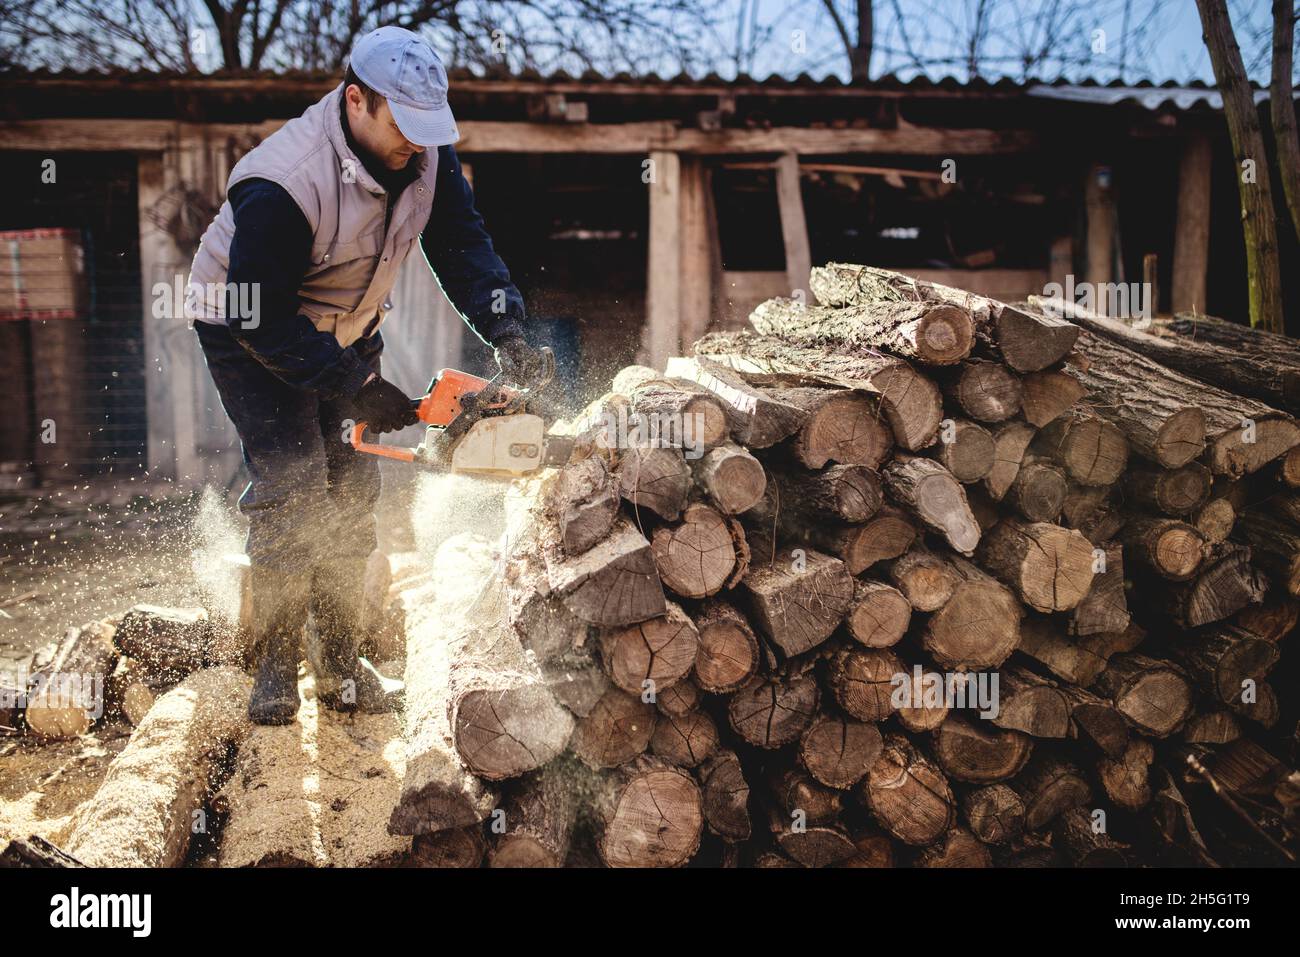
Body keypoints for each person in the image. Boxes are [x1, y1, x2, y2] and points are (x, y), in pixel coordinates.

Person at [186, 26, 544, 724]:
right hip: (247, 327)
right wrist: (353, 386)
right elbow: (260, 321)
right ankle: (275, 663)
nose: (418, 143)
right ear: (356, 101)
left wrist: (509, 329)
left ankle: (343, 658)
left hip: (346, 324)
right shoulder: (283, 182)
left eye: (426, 129)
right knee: (294, 480)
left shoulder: (426, 158)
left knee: (351, 488)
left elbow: (461, 244)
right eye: (404, 127)